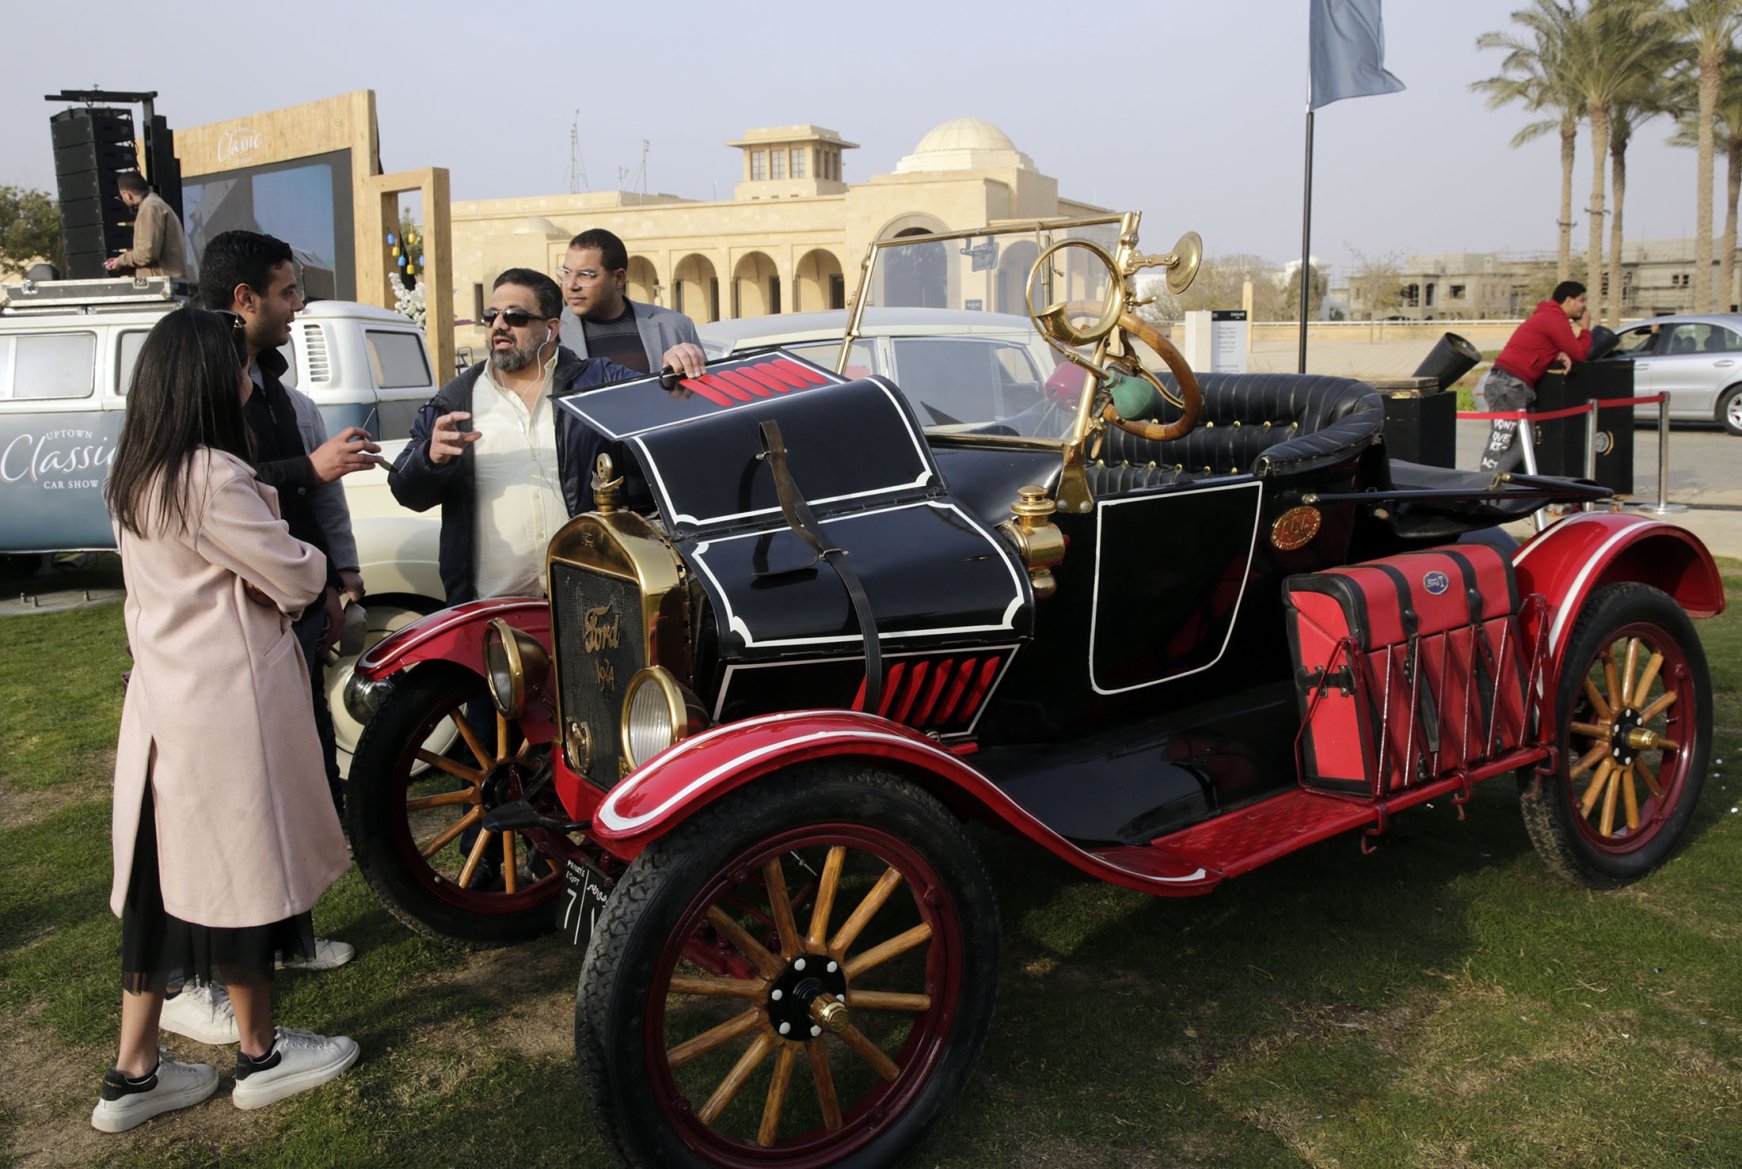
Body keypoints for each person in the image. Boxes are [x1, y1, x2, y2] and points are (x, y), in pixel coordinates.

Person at [91, 307, 357, 1132]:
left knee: (158, 888)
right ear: (207, 377)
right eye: (236, 364)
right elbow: (296, 575)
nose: (249, 377)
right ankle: (261, 1055)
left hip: (165, 705)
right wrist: (301, 558)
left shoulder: (136, 472)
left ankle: (135, 1072)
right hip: (227, 707)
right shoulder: (208, 474)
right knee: (244, 875)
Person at [153, 231, 374, 1050]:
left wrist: (335, 571)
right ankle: (220, 1001)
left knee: (295, 787)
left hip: (261, 646)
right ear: (242, 301)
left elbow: (295, 523)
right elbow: (247, 517)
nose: (298, 308)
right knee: (232, 829)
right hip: (220, 671)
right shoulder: (199, 445)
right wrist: (309, 518)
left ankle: (281, 940)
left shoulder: (269, 388)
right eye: (287, 292)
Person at [391, 267, 689, 604]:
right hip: (493, 609)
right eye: (491, 316)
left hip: (590, 605)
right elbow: (406, 491)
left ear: (551, 328)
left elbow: (665, 407)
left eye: (515, 316)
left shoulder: (595, 384)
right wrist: (431, 459)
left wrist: (677, 368)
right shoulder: (454, 402)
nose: (499, 325)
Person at [1478, 280, 1593, 476]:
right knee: (1501, 440)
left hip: (1514, 384)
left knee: (1524, 440)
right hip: (1509, 384)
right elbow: (1579, 353)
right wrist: (1586, 330)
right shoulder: (1554, 319)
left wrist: (1556, 354)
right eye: (1581, 300)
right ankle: (1485, 487)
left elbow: (1540, 345)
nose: (1584, 306)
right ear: (1568, 300)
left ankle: (1493, 484)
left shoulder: (1547, 317)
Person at [556, 228, 706, 376]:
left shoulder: (675, 327)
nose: (570, 285)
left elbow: (703, 395)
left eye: (585, 275)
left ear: (619, 278)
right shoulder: (550, 334)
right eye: (567, 273)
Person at [104, 172, 188, 279]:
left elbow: (147, 254)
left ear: (127, 195)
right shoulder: (157, 204)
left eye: (121, 197)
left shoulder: (149, 208)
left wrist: (120, 261)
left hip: (161, 286)